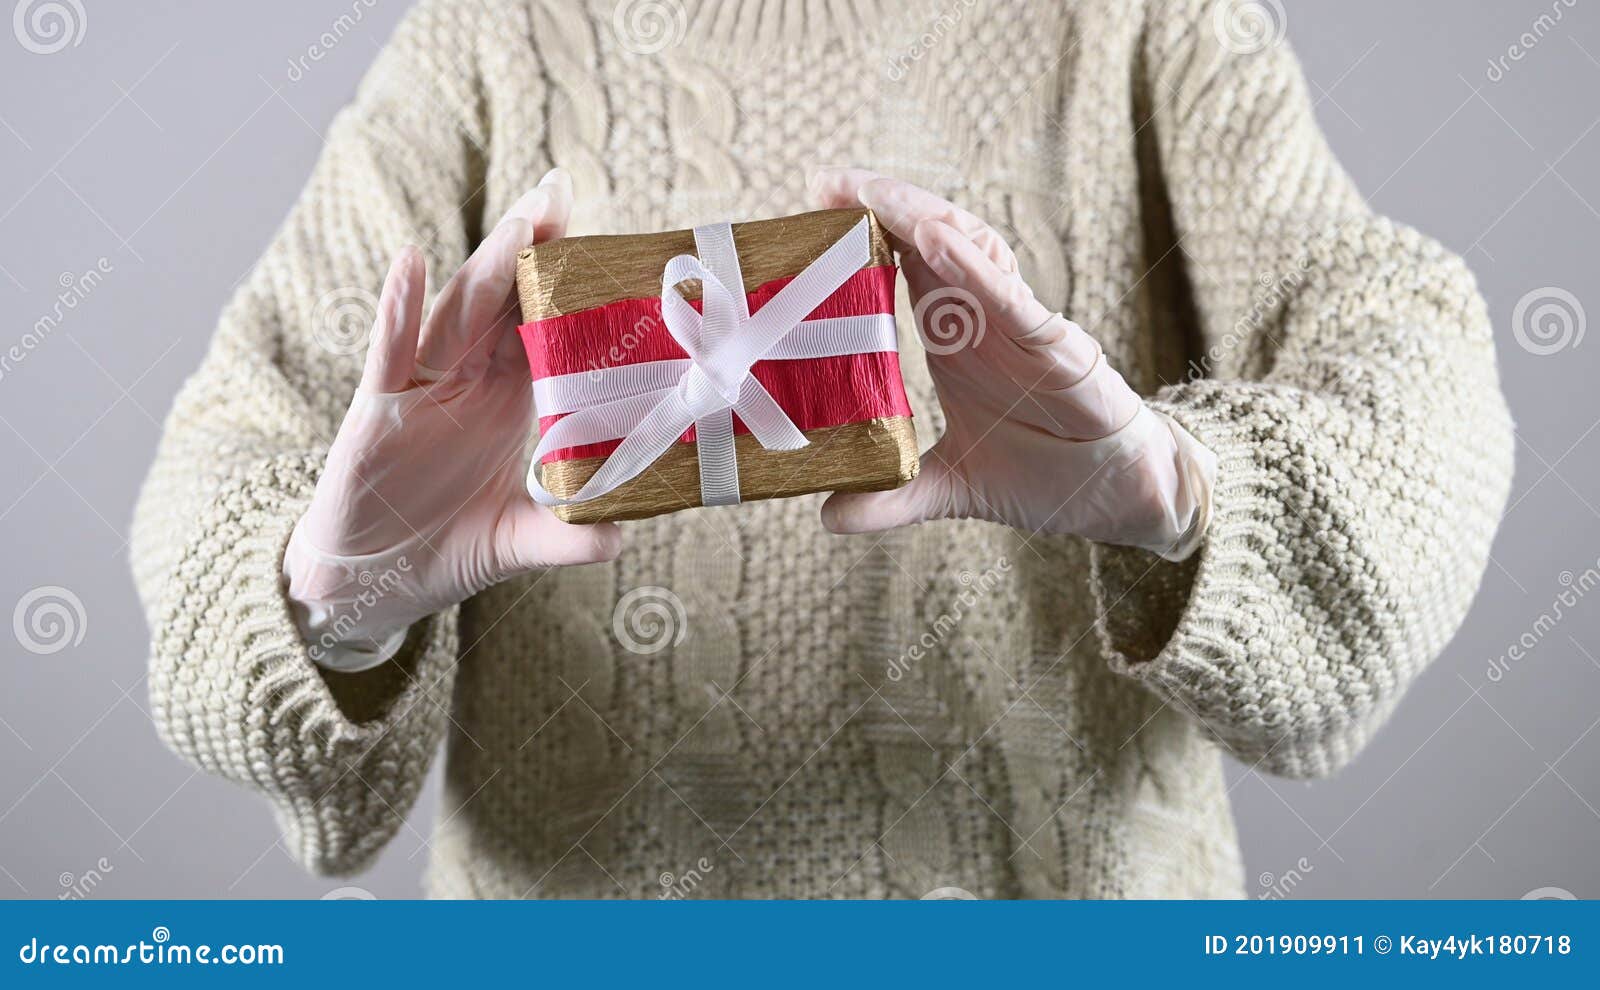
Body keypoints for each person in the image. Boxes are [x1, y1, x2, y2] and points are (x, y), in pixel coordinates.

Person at [132, 0, 1513, 898]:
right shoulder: (489, 39)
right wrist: (332, 604)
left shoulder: (1145, 25)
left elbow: (1415, 360)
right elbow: (229, 452)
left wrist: (1188, 491)